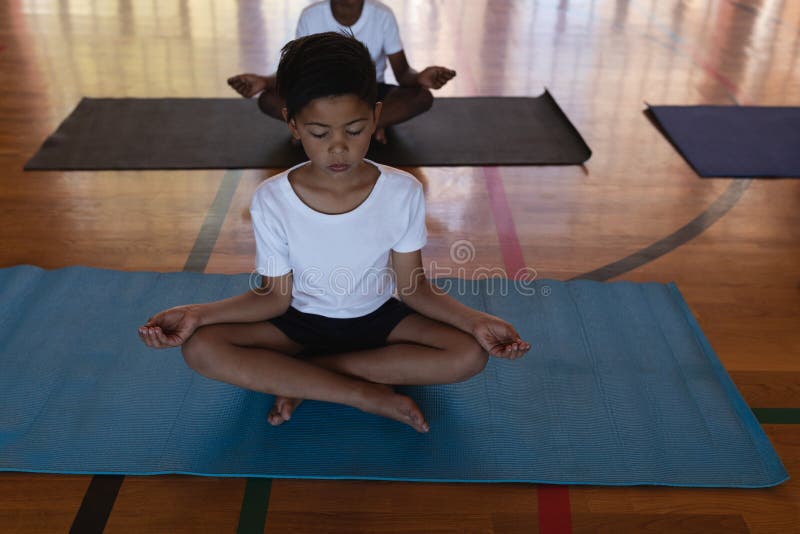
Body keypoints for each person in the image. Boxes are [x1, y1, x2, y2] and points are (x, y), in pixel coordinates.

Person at [139, 32, 529, 433]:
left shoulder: (402, 191)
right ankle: (363, 394)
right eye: (320, 133)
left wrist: (476, 320)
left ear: (376, 118)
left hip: (378, 319)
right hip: (298, 323)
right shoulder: (272, 199)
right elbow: (274, 297)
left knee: (469, 354)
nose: (338, 148)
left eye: (355, 130)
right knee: (201, 348)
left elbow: (413, 287)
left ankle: (304, 377)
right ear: (293, 125)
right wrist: (197, 314)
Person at [227, 0, 455, 143]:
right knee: (268, 99)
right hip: (320, 95)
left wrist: (420, 78)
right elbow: (296, 70)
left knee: (421, 97)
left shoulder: (382, 15)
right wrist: (264, 82)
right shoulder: (311, 15)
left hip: (369, 92)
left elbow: (403, 74)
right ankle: (364, 126)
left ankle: (324, 128)